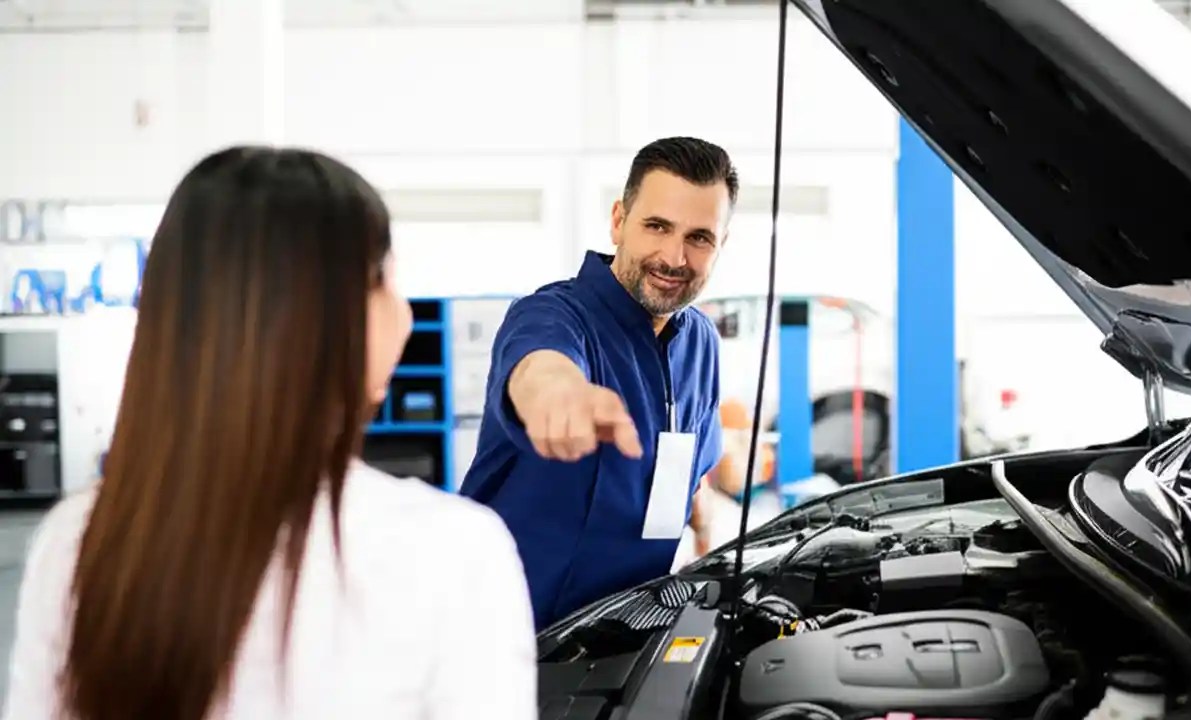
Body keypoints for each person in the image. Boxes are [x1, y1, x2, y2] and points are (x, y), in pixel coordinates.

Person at [2, 147, 537, 720]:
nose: (404, 311)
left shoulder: (80, 540)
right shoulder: (453, 553)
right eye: (386, 279)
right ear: (327, 317)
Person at [459, 136, 735, 630]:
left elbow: (689, 468)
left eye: (699, 237)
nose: (675, 257)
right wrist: (559, 393)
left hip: (628, 634)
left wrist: (706, 540)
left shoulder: (701, 343)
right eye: (657, 226)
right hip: (506, 634)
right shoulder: (554, 313)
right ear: (618, 221)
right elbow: (540, 365)